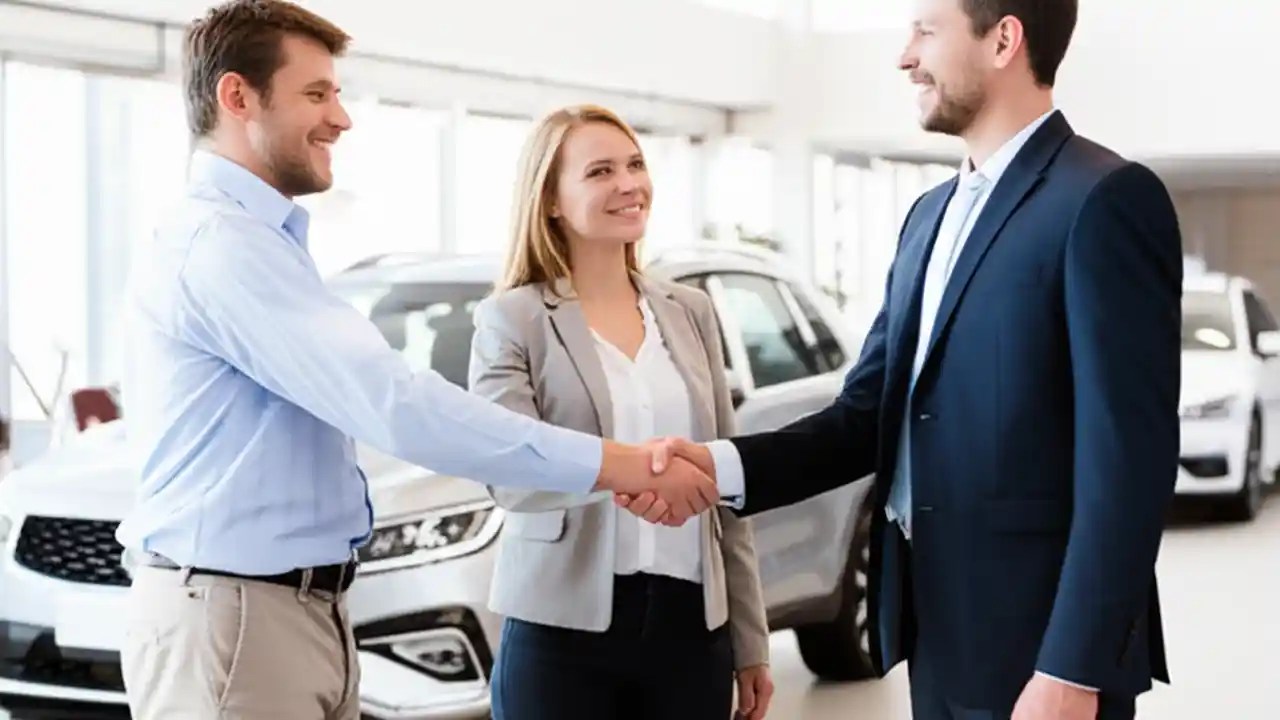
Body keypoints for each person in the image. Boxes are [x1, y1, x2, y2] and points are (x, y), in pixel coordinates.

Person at [115, 3, 720, 719]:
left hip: (294, 609)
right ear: (237, 97)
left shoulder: (263, 241)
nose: (341, 118)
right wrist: (626, 464)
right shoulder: (222, 246)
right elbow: (395, 402)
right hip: (239, 615)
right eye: (317, 93)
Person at [631, 0, 1183, 718]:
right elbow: (865, 416)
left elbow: (1128, 466)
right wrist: (718, 468)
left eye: (926, 30)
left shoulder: (1103, 200)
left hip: (1041, 652)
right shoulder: (929, 215)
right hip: (938, 630)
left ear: (1004, 40)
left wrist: (1073, 669)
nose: (904, 56)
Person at [469, 105, 774, 720]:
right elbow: (510, 478)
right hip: (561, 631)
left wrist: (751, 639)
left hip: (692, 629)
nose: (629, 184)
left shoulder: (691, 312)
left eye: (635, 164)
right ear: (551, 199)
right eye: (600, 171)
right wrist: (629, 471)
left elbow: (724, 487)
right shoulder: (512, 319)